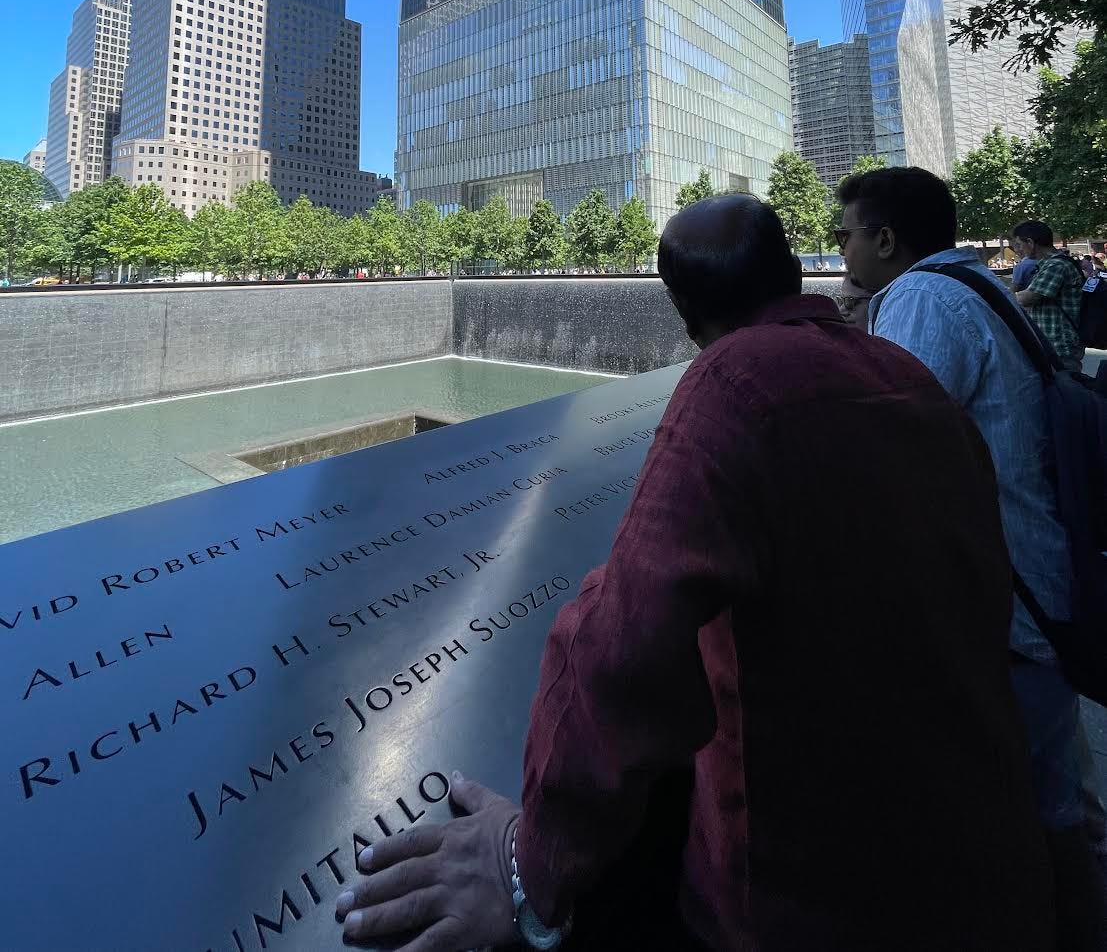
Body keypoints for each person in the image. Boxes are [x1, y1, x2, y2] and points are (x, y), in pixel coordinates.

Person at [336, 195, 1053, 952]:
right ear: (792, 271)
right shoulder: (908, 376)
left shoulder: (731, 386)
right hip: (987, 866)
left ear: (683, 315)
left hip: (811, 903)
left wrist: (530, 865)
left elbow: (622, 647)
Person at [838, 167, 1103, 951]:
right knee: (1063, 798)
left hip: (1007, 607)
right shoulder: (974, 284)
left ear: (886, 238)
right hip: (1039, 584)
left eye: (846, 235)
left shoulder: (922, 298)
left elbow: (884, 444)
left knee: (1038, 816)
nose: (840, 250)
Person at [1013, 221, 1086, 373]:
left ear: (1030, 242)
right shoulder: (1049, 264)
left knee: (1065, 386)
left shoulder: (1056, 265)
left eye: (1019, 244)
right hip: (1053, 345)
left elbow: (1026, 298)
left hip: (1060, 346)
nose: (1018, 250)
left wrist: (1000, 295)